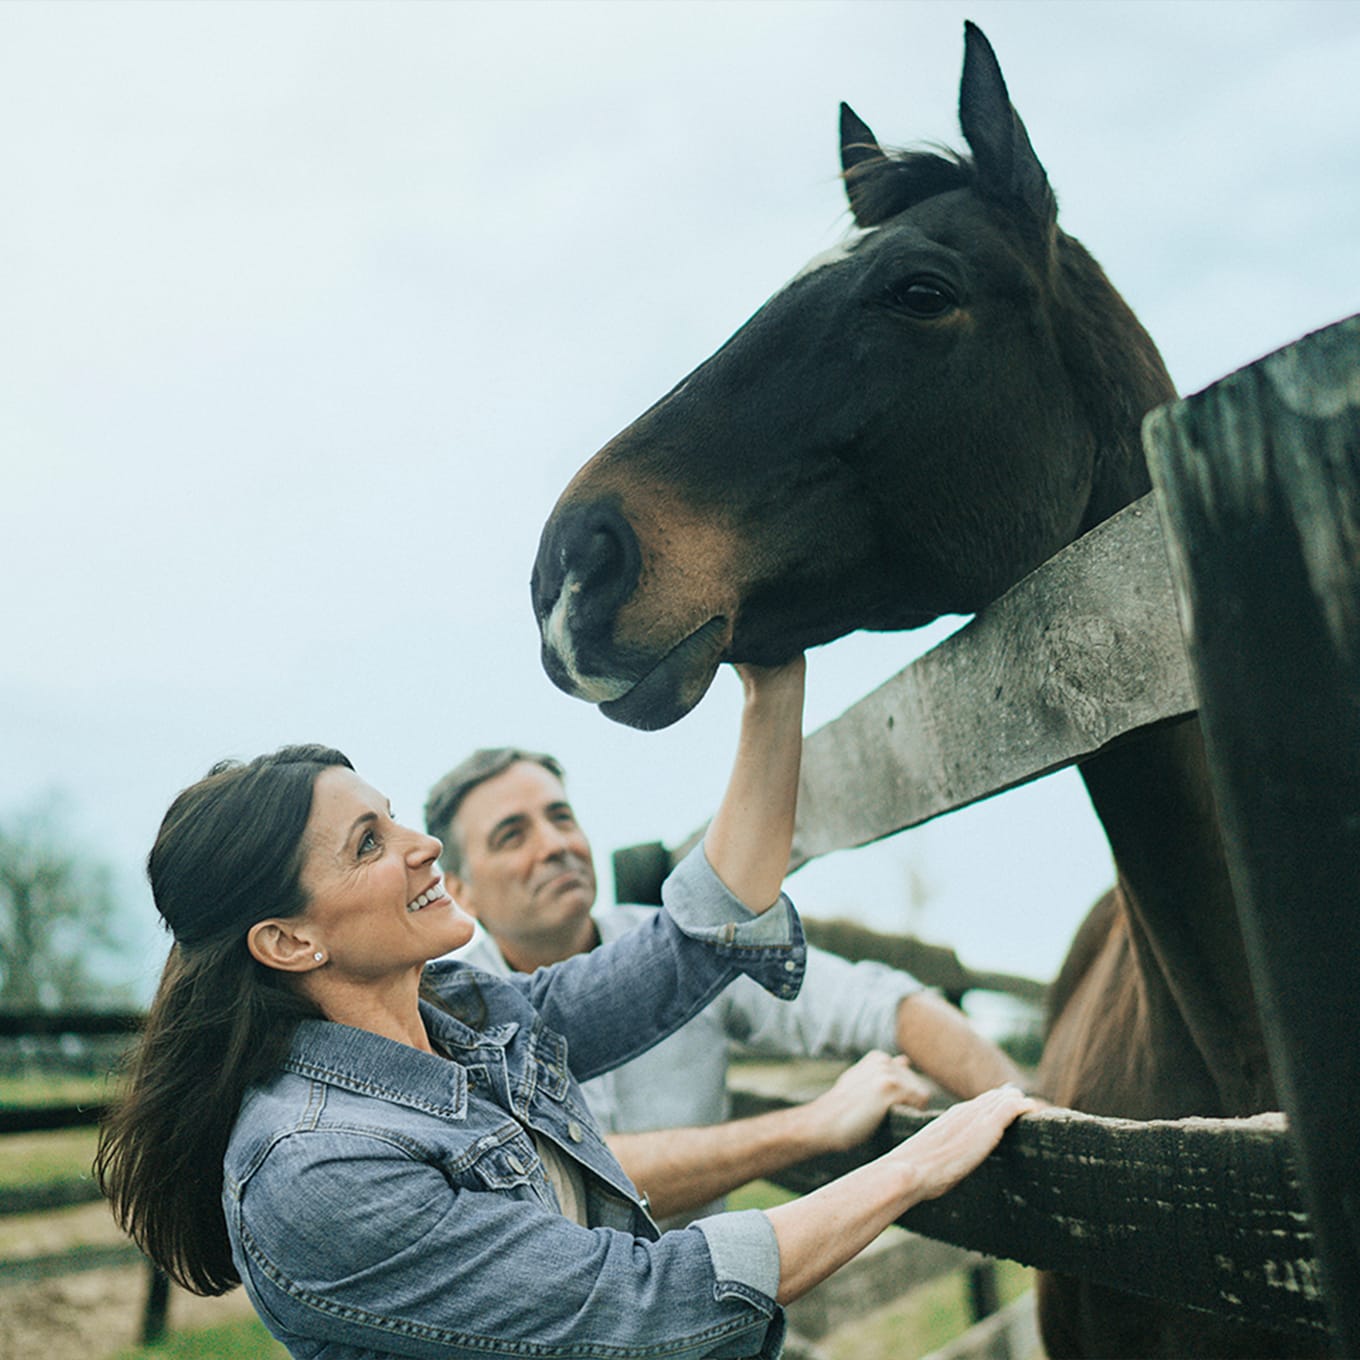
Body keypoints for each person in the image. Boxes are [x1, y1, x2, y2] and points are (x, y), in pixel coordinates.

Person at [96, 657, 1034, 1359]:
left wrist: (772, 683)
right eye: (369, 843)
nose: (423, 847)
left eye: (395, 816)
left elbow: (696, 944)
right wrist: (911, 1168)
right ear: (290, 941)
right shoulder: (315, 1170)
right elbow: (645, 1304)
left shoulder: (469, 1017)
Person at [424, 727, 1025, 1226]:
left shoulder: (670, 950)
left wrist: (1026, 1111)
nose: (555, 844)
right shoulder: (444, 1020)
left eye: (562, 817)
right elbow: (573, 1180)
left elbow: (882, 1004)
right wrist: (812, 1126)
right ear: (460, 891)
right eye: (513, 836)